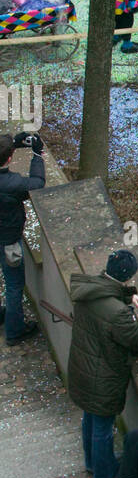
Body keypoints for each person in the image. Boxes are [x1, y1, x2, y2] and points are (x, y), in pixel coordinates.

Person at [67, 250, 138, 478]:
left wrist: (128, 296)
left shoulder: (87, 290)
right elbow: (136, 341)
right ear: (128, 276)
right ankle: (103, 475)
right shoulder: (118, 313)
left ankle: (92, 463)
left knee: (89, 418)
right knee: (103, 426)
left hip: (83, 368)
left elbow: (108, 298)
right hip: (104, 376)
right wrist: (134, 315)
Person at [0, 130, 44, 346]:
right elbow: (37, 183)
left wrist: (12, 144)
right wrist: (37, 154)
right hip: (8, 240)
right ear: (9, 158)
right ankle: (15, 330)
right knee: (14, 285)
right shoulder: (12, 184)